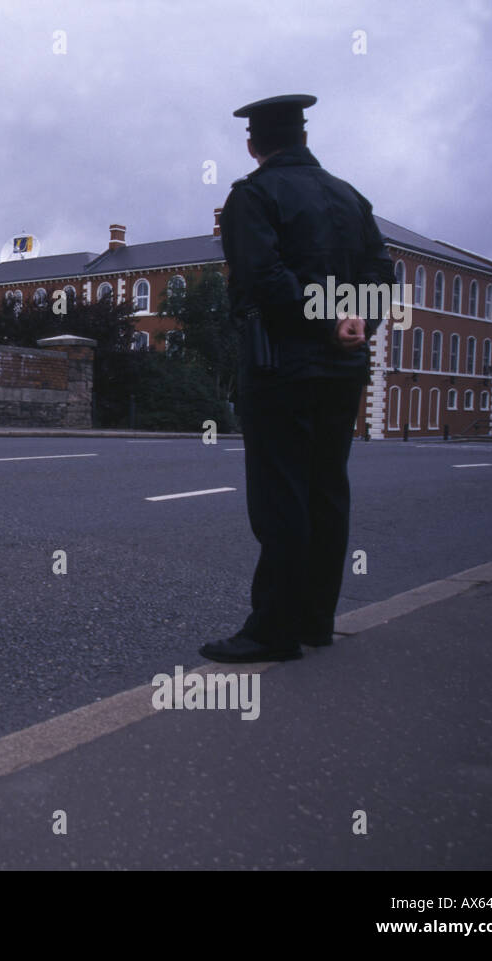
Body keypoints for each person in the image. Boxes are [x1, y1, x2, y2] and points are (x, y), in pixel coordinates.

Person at [202, 94, 396, 663]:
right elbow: (381, 271)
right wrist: (355, 319)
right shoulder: (350, 197)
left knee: (280, 495)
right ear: (304, 138)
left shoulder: (252, 195)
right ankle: (315, 620)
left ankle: (273, 631)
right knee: (327, 490)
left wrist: (324, 319)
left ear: (253, 145)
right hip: (343, 368)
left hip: (281, 365)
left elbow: (263, 277)